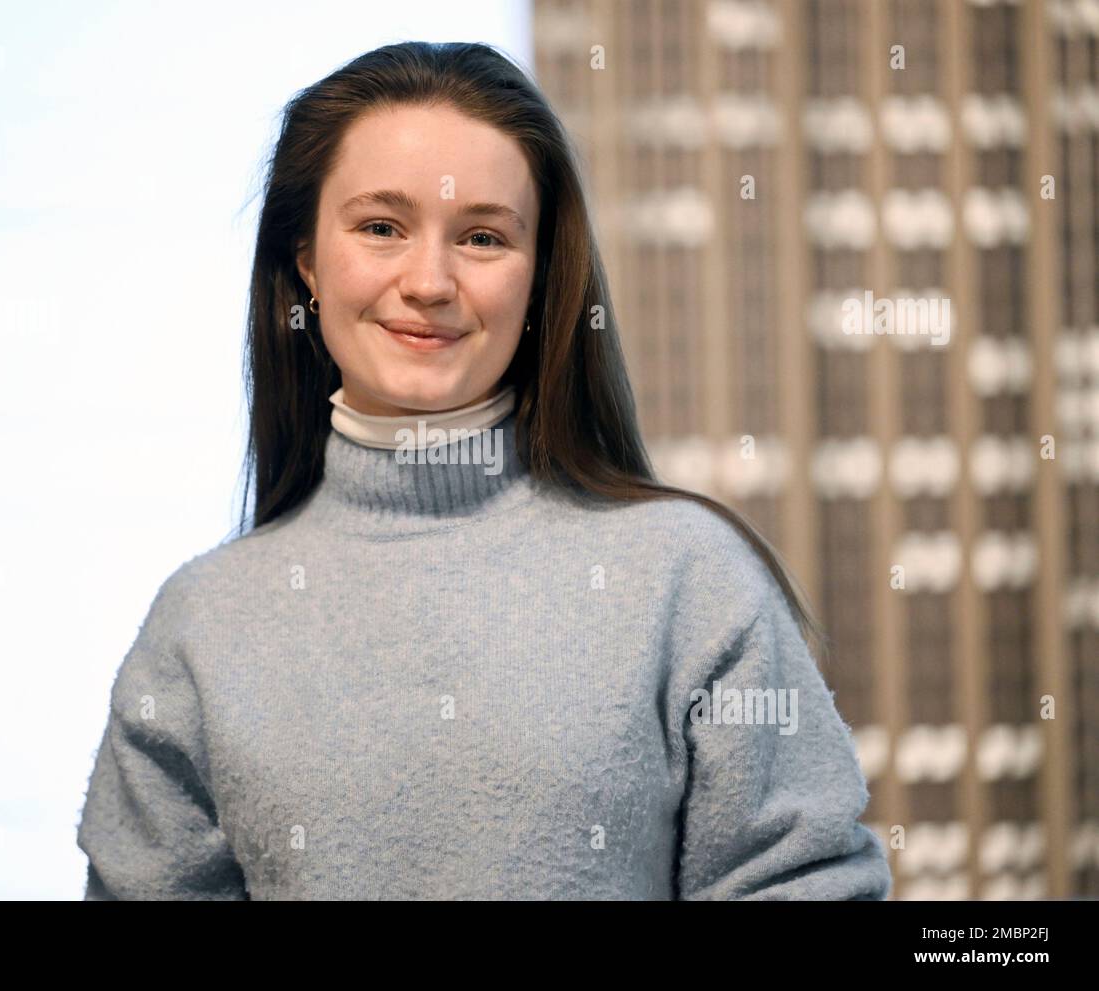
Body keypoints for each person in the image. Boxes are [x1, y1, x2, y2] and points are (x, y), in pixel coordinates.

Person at [75, 40, 893, 900]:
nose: (429, 281)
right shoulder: (202, 628)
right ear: (308, 261)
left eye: (482, 237)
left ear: (540, 279)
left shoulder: (689, 581)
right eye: (381, 227)